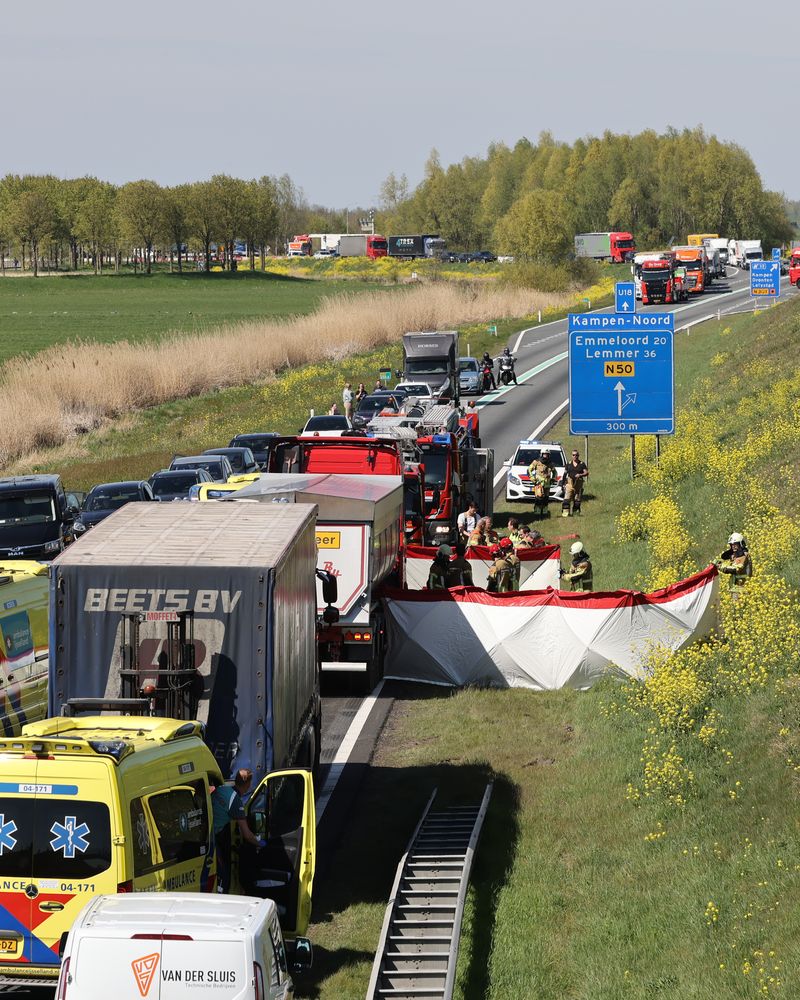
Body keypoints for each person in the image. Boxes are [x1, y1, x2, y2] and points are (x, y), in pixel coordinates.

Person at [212, 769, 264, 893]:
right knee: (223, 878)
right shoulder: (236, 802)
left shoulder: (223, 789)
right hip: (212, 840)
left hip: (207, 835)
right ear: (247, 785)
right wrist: (261, 843)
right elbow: (247, 835)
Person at [561, 449, 589, 517]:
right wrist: (563, 484)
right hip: (570, 483)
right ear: (572, 456)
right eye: (573, 455)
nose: (575, 456)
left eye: (576, 455)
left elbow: (586, 472)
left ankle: (576, 513)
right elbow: (565, 474)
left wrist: (580, 475)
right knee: (566, 499)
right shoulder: (568, 464)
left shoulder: (582, 464)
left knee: (577, 500)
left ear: (578, 456)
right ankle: (565, 513)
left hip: (578, 483)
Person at [528, 450, 554, 518]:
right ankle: (537, 513)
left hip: (547, 485)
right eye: (545, 454)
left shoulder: (550, 463)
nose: (546, 456)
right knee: (539, 498)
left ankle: (545, 513)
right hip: (538, 484)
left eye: (547, 454)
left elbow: (555, 472)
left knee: (546, 499)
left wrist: (553, 479)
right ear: (541, 454)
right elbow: (529, 470)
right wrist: (532, 478)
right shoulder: (536, 462)